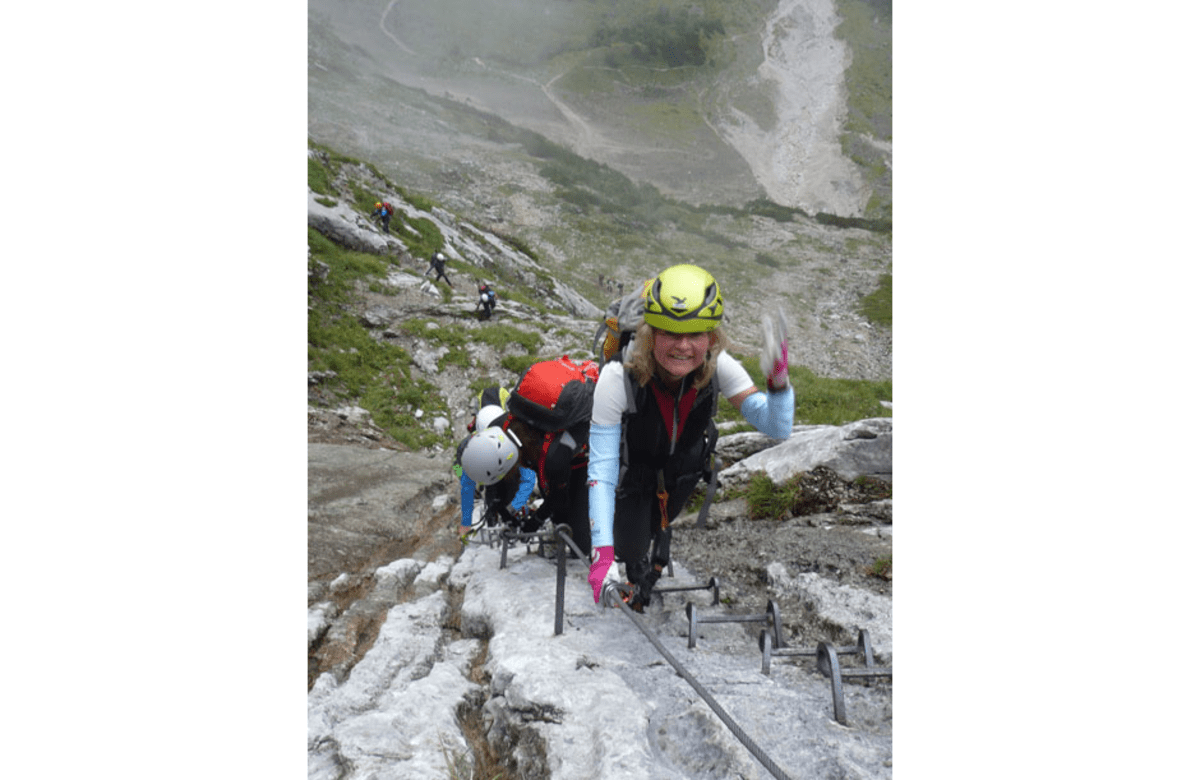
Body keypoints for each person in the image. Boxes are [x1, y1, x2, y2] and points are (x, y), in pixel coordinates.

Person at [585, 264, 795, 610]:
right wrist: (602, 558)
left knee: (655, 527)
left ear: (711, 337)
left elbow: (776, 426)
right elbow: (601, 474)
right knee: (630, 545)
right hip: (633, 472)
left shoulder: (717, 364)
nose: (683, 346)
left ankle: (645, 555)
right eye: (670, 333)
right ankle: (635, 558)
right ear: (651, 332)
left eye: (695, 334)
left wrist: (778, 383)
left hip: (682, 471)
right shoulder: (616, 377)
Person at [459, 356, 598, 556]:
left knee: (579, 539)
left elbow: (559, 497)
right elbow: (496, 481)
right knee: (560, 517)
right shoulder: (497, 428)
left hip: (579, 456)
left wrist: (536, 521)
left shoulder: (554, 459)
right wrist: (503, 511)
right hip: (553, 444)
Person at [455, 404, 537, 539]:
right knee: (492, 497)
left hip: (511, 481)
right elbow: (465, 482)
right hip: (489, 482)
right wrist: (466, 522)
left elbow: (528, 478)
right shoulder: (469, 449)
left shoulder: (512, 443)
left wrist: (514, 507)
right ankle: (494, 517)